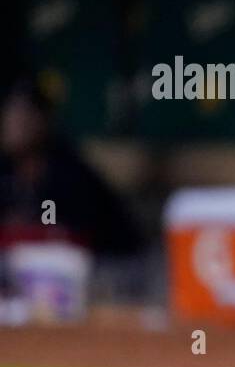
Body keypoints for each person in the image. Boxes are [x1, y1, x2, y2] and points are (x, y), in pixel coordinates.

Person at [0, 79, 141, 257]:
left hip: (105, 267)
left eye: (21, 118)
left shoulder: (70, 173)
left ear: (43, 121)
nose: (12, 127)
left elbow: (82, 237)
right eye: (8, 117)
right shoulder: (6, 172)